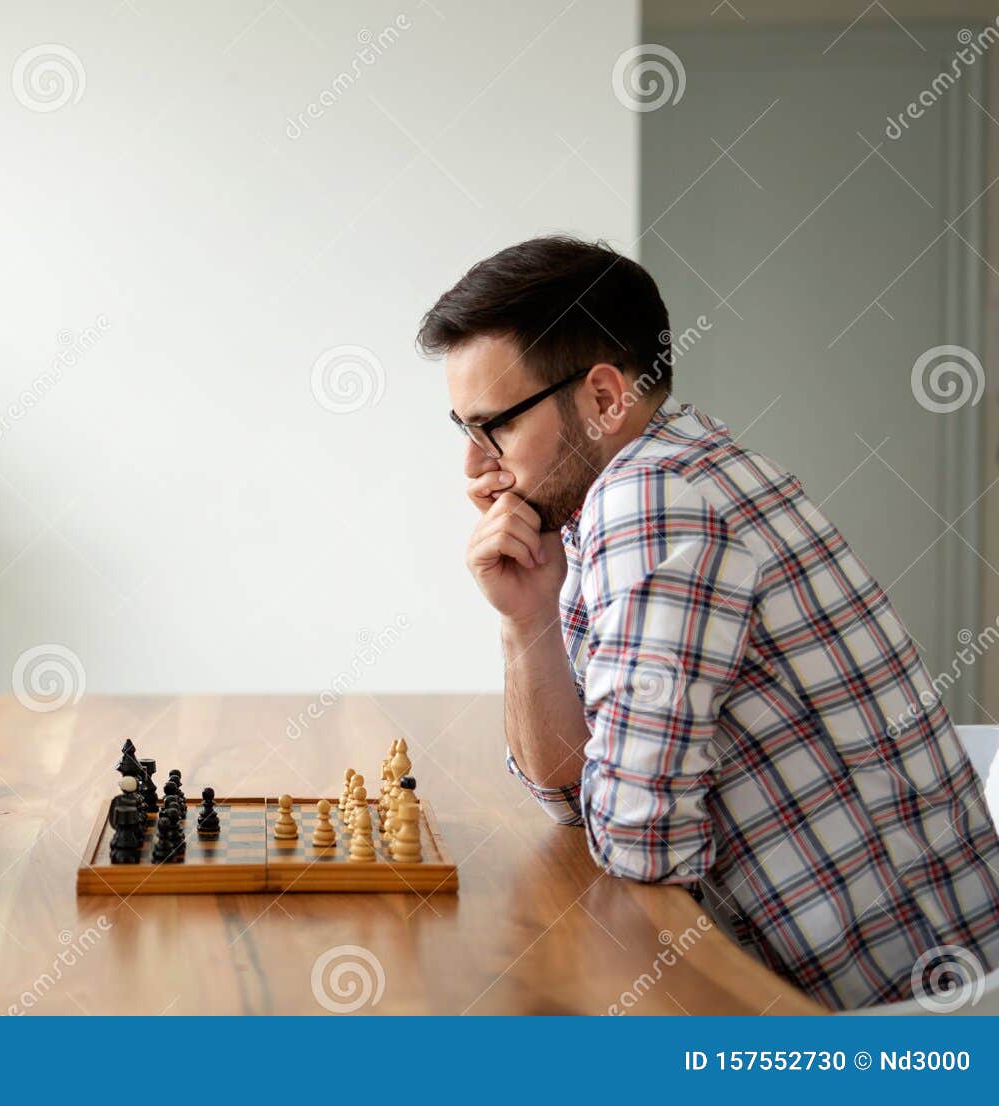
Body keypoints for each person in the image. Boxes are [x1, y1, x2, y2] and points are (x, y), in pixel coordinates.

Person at [420, 235, 999, 1011]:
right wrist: (526, 622)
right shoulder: (667, 474)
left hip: (896, 1024)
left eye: (493, 426)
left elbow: (639, 843)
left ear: (602, 398)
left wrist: (604, 789)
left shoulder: (655, 502)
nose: (474, 467)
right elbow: (573, 794)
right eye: (463, 429)